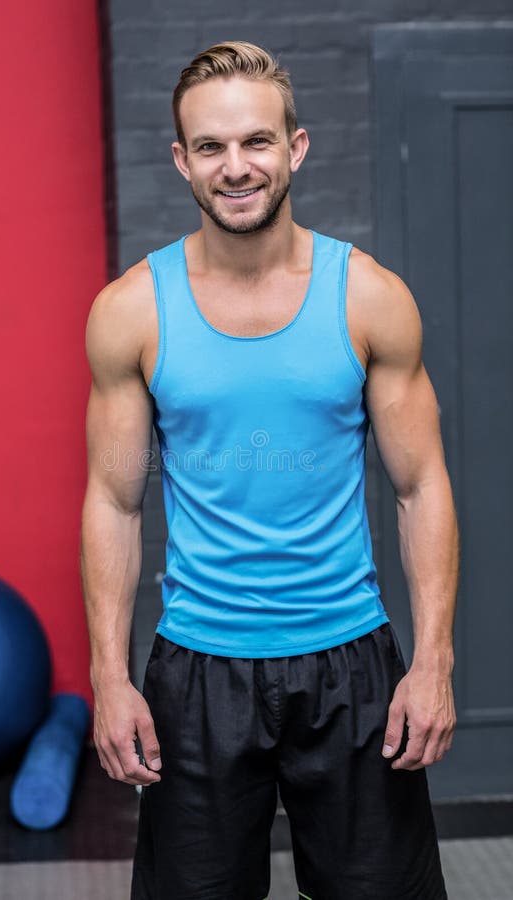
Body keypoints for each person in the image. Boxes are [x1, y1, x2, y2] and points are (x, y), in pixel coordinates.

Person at [80, 40, 458, 900]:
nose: (236, 166)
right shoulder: (132, 312)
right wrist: (110, 676)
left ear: (296, 146)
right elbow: (115, 499)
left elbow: (420, 485)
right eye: (210, 147)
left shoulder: (368, 297)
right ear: (182, 161)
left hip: (350, 662)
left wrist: (432, 662)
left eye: (256, 140)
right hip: (198, 672)